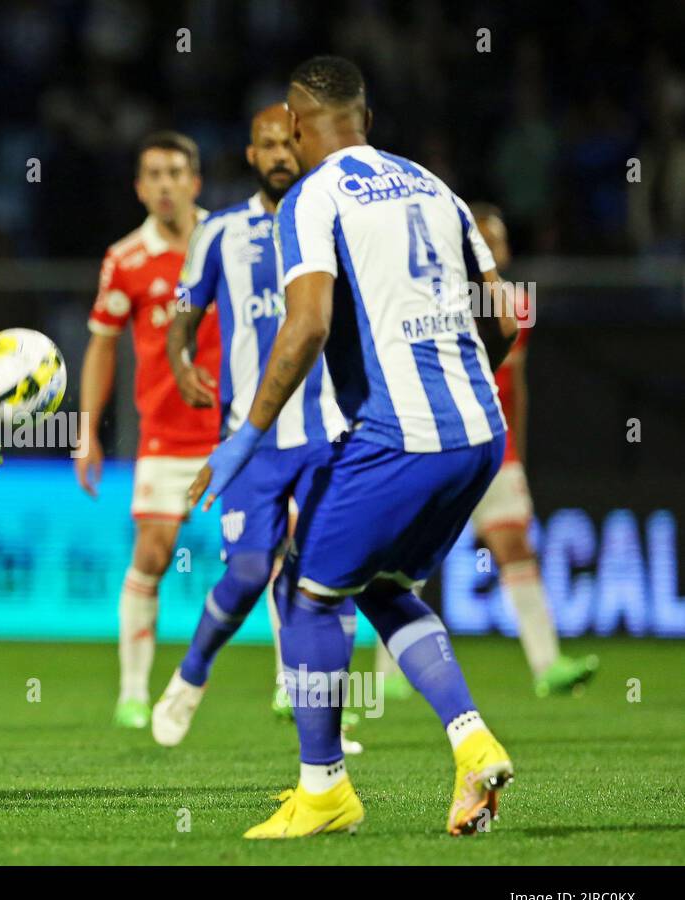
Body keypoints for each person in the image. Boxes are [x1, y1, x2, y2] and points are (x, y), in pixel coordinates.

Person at [191, 56, 517, 838]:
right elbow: (503, 319)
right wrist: (463, 384)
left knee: (307, 586)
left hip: (402, 436)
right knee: (379, 579)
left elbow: (304, 325)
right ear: (366, 120)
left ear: (298, 127)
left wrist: (248, 432)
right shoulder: (437, 188)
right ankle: (473, 742)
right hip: (482, 432)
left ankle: (325, 792)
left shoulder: (310, 197)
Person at [151, 104, 349, 747]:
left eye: (290, 142)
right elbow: (184, 311)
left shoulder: (336, 224)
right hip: (250, 438)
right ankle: (188, 678)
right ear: (251, 155)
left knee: (327, 576)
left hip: (328, 430)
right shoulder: (220, 234)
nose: (281, 155)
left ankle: (325, 721)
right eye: (268, 144)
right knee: (245, 574)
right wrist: (181, 361)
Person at [75, 131, 222, 728]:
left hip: (239, 430)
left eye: (175, 172)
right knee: (154, 554)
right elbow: (102, 347)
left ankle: (295, 688)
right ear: (140, 187)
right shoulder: (126, 258)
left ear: (195, 181)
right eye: (153, 174)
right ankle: (133, 692)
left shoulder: (228, 242)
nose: (165, 184)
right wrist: (88, 431)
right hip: (164, 435)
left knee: (274, 553)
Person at [467, 202, 599, 697]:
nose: (493, 249)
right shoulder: (429, 299)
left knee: (515, 546)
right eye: (483, 240)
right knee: (404, 558)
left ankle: (547, 665)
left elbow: (515, 385)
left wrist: (515, 450)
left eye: (498, 240)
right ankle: (389, 680)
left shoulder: (517, 301)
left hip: (495, 448)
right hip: (439, 443)